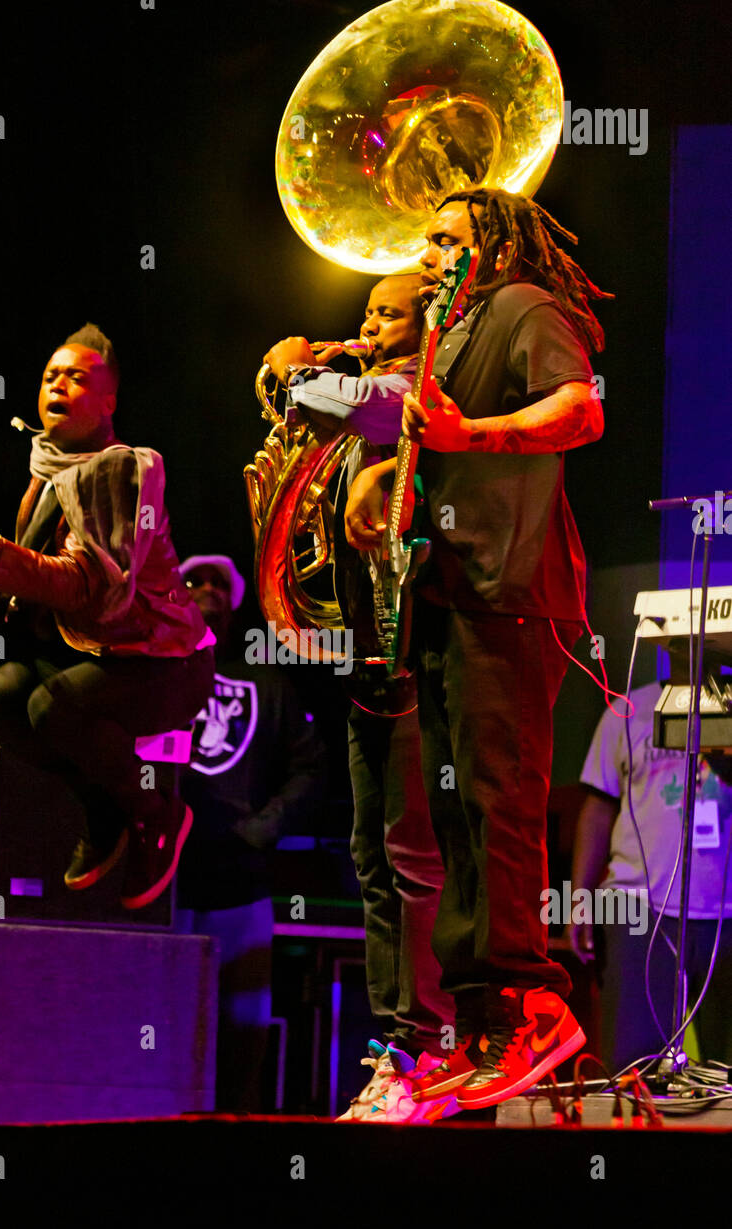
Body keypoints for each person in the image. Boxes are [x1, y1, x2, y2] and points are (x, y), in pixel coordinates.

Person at [345, 188, 611, 1109]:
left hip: (509, 591)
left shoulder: (522, 306)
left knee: (498, 805)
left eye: (445, 237)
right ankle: (482, 1021)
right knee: (455, 816)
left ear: (494, 245)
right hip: (452, 599)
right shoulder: (445, 338)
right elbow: (437, 445)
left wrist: (474, 433)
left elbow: (580, 411)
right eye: (425, 237)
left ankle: (535, 1007)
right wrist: (387, 472)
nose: (426, 253)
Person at [0, 323, 215, 909]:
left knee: (50, 706)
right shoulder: (47, 472)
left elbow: (88, 585)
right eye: (50, 376)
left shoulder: (122, 470)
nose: (58, 384)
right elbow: (15, 584)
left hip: (165, 663)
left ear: (108, 403)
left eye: (76, 378)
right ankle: (103, 807)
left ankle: (157, 813)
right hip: (96, 654)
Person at [263, 276, 456, 1124]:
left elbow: (360, 405)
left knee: (413, 861)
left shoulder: (421, 388)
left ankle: (427, 1042)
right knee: (373, 859)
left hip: (415, 659)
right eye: (369, 313)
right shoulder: (365, 410)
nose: (368, 327)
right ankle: (395, 1042)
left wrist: (293, 371)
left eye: (389, 315)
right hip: (367, 664)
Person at [175, 553, 327, 1112]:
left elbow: (311, 767)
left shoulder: (268, 685)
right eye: (193, 580)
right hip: (165, 887)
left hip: (243, 887)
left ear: (237, 602)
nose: (206, 589)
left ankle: (238, 1151)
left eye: (219, 581)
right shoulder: (149, 678)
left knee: (243, 1033)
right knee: (161, 1022)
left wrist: (262, 829)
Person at [568, 676, 732, 1074]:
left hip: (725, 910)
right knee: (633, 1069)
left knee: (726, 1073)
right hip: (636, 907)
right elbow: (599, 805)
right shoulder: (629, 709)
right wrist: (579, 898)